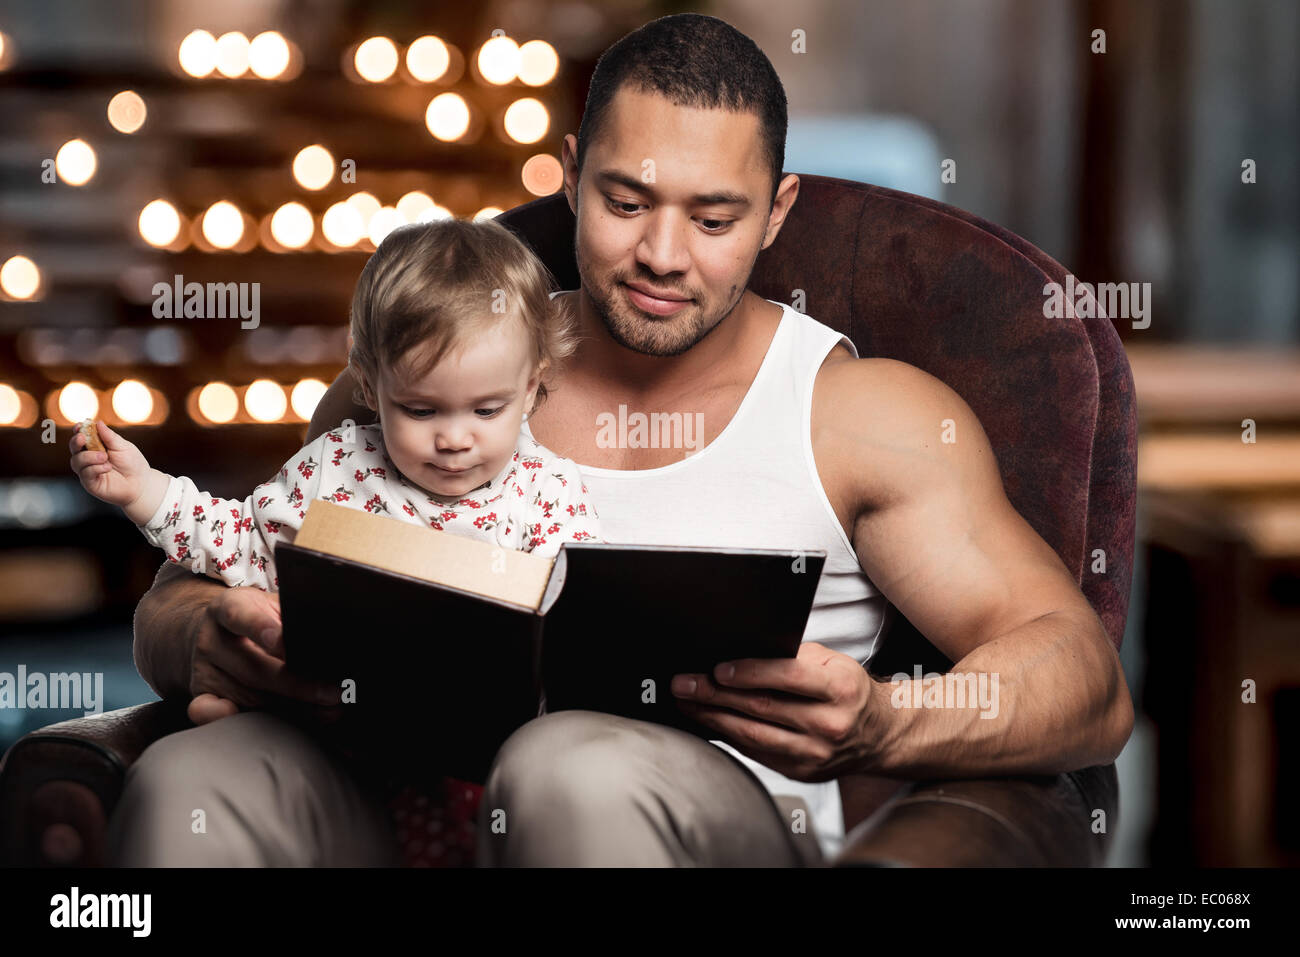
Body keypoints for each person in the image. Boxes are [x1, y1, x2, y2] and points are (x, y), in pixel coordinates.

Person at [104, 13, 1134, 867]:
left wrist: (883, 722)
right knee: (192, 777)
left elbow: (1082, 677)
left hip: (697, 822)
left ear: (776, 214)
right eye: (624, 201)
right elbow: (185, 590)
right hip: (401, 802)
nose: (660, 256)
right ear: (567, 180)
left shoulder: (858, 413)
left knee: (569, 769)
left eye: (713, 218)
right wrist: (206, 640)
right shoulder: (444, 373)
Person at [69, 218, 601, 592]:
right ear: (369, 388)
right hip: (344, 708)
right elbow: (239, 544)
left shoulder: (548, 495)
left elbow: (586, 618)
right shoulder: (338, 469)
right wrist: (142, 489)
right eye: (421, 411)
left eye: (486, 411)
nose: (455, 439)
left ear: (530, 388)